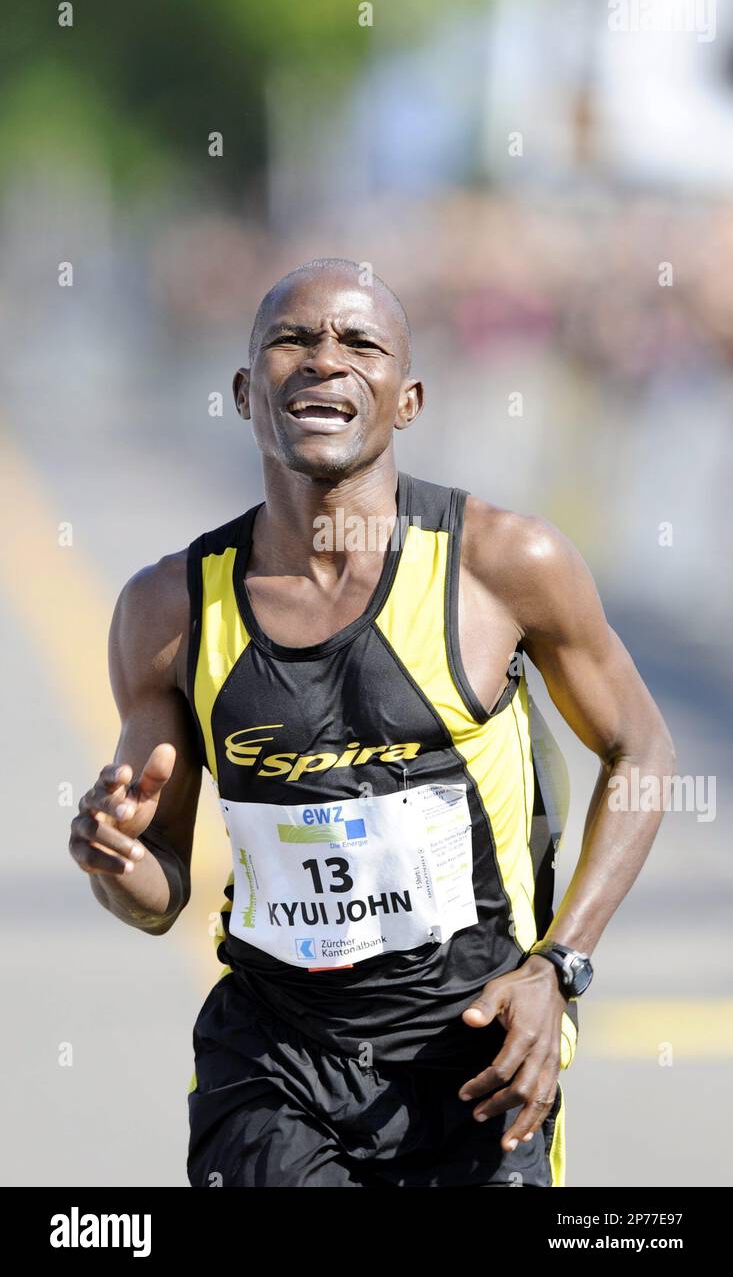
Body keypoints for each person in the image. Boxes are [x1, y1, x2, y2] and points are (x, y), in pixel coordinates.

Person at [69, 258, 675, 1188]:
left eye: (359, 343)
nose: (323, 361)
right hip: (277, 1060)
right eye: (291, 341)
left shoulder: (504, 564)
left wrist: (560, 966)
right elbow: (160, 899)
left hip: (480, 1047)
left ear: (407, 399)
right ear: (243, 392)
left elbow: (641, 748)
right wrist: (116, 859)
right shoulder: (170, 610)